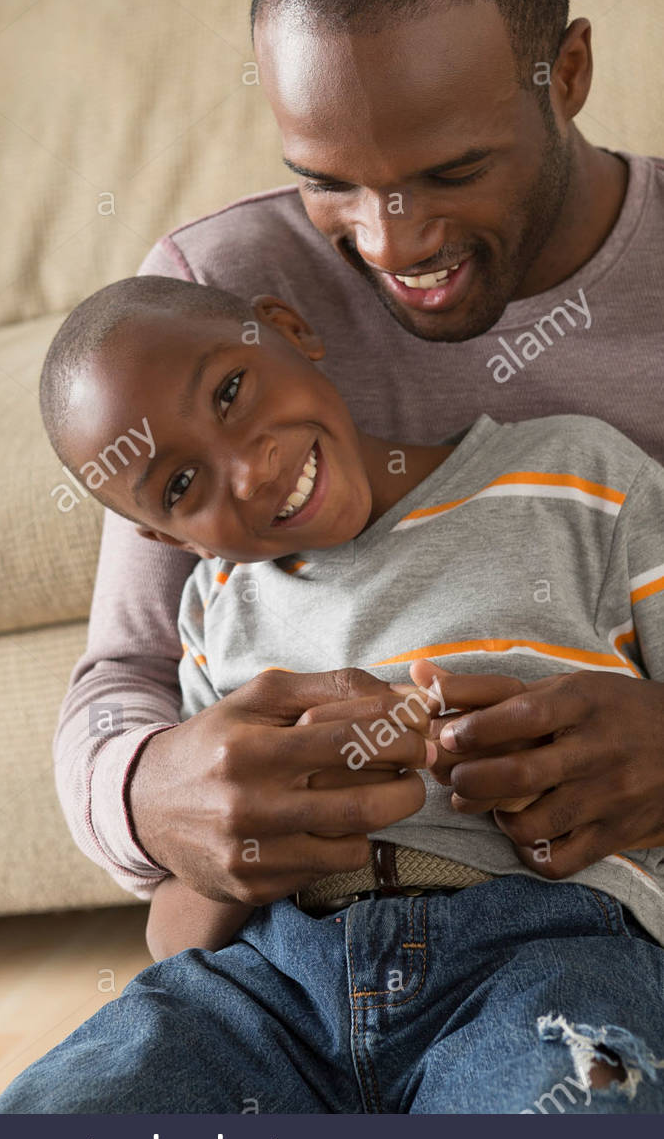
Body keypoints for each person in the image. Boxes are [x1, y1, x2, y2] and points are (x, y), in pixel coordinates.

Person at [0, 0, 664, 1113]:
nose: (389, 244)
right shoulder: (213, 299)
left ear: (564, 73)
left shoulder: (590, 467)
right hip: (279, 978)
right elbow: (128, 675)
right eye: (327, 186)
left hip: (554, 950)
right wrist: (155, 796)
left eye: (446, 172)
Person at [43, 273, 664, 968]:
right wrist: (265, 821)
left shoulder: (579, 477)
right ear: (170, 541)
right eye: (181, 486)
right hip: (274, 981)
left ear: (289, 328)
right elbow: (172, 939)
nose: (249, 473)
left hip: (545, 944)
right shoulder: (211, 608)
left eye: (228, 393)